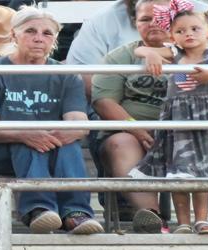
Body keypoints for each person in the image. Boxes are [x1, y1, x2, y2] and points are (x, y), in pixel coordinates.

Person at [0, 7, 102, 234]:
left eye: (47, 33)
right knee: (28, 140)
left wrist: (54, 136)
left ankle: (76, 214)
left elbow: (78, 123)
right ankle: (38, 209)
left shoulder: (67, 75)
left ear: (55, 39)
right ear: (13, 35)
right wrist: (29, 134)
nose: (38, 38)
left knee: (66, 144)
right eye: (30, 31)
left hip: (44, 149)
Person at [130, 1, 208, 234]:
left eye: (195, 29)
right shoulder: (175, 53)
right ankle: (183, 222)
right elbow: (139, 49)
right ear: (172, 36)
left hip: (206, 121)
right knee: (178, 171)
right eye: (180, 31)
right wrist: (150, 54)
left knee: (202, 171)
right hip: (178, 121)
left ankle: (202, 219)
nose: (188, 34)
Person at [90, 1, 174, 232]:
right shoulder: (120, 56)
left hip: (187, 132)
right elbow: (104, 102)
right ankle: (154, 220)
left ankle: (195, 221)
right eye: (145, 19)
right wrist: (136, 129)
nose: (153, 23)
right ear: (135, 24)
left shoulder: (200, 53)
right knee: (121, 143)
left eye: (160, 18)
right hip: (131, 133)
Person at [64, 0, 208, 67]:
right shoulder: (101, 21)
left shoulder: (207, 15)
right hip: (125, 120)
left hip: (199, 111)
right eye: (145, 19)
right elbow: (83, 80)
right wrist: (131, 124)